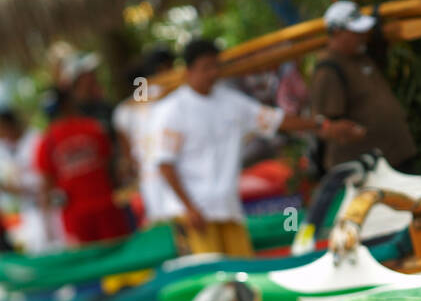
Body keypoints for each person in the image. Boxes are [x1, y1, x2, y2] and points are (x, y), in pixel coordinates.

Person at [153, 37, 362, 256]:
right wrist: (189, 207)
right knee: (211, 276)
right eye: (205, 68)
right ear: (188, 71)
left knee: (244, 272)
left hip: (227, 208)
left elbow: (276, 120)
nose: (212, 73)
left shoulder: (231, 102)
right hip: (195, 213)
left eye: (215, 67)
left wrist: (322, 125)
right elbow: (165, 164)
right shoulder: (172, 110)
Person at [308, 0, 421, 173]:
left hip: (395, 156)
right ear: (338, 32)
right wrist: (344, 130)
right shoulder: (328, 70)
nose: (363, 35)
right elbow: (323, 125)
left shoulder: (362, 55)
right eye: (356, 32)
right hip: (369, 169)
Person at [36, 56, 130, 245]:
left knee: (90, 264)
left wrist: (47, 224)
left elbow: (46, 185)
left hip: (77, 215)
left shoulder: (47, 141)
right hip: (105, 207)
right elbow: (110, 162)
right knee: (120, 261)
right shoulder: (94, 128)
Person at [112, 48, 174, 225]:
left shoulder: (123, 111)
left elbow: (128, 158)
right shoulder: (169, 94)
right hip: (174, 172)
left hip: (149, 178)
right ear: (163, 69)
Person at [0, 109, 52, 252]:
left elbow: (46, 176)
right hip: (24, 207)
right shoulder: (1, 148)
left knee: (52, 245)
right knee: (34, 247)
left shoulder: (36, 140)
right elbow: (0, 178)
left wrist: (22, 187)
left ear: (9, 125)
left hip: (47, 203)